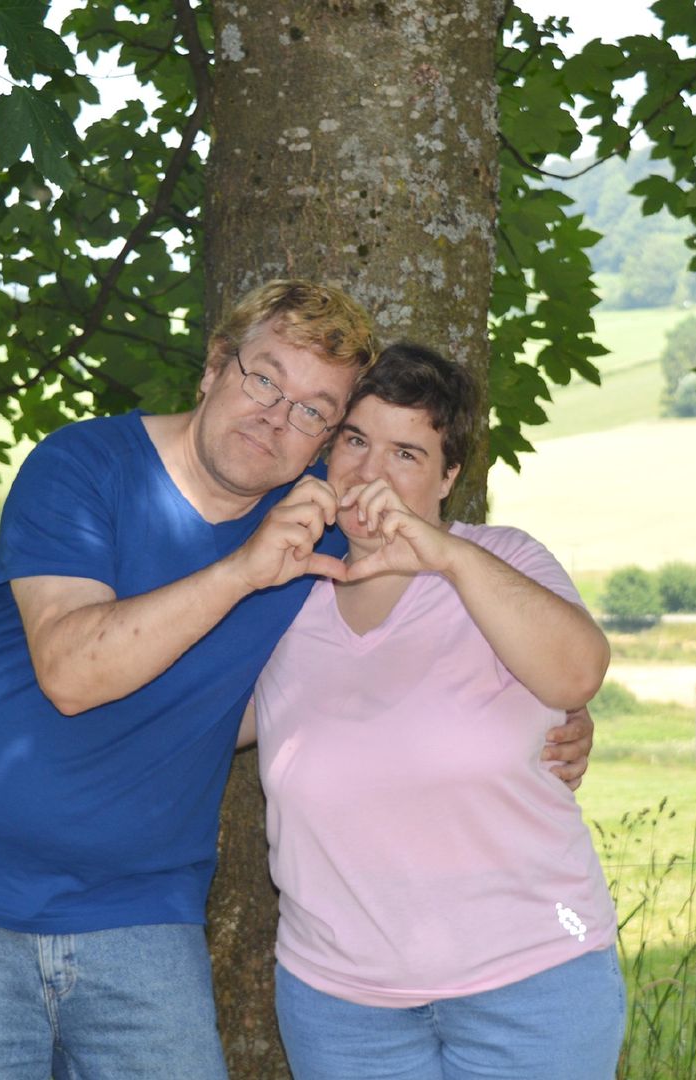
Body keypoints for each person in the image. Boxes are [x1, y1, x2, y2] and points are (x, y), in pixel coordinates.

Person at [0, 281, 594, 1079]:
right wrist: (242, 570)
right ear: (215, 366)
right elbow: (72, 673)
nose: (277, 417)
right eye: (264, 380)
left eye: (313, 411)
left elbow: (375, 668)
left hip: (143, 908)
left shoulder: (322, 531)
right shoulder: (86, 465)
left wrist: (546, 714)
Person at [249, 342, 625, 1079]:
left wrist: (443, 555)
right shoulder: (285, 582)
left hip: (534, 982)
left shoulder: (500, 561)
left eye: (407, 454)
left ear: (450, 477)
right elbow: (188, 715)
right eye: (355, 441)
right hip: (340, 1007)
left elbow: (577, 673)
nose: (371, 473)